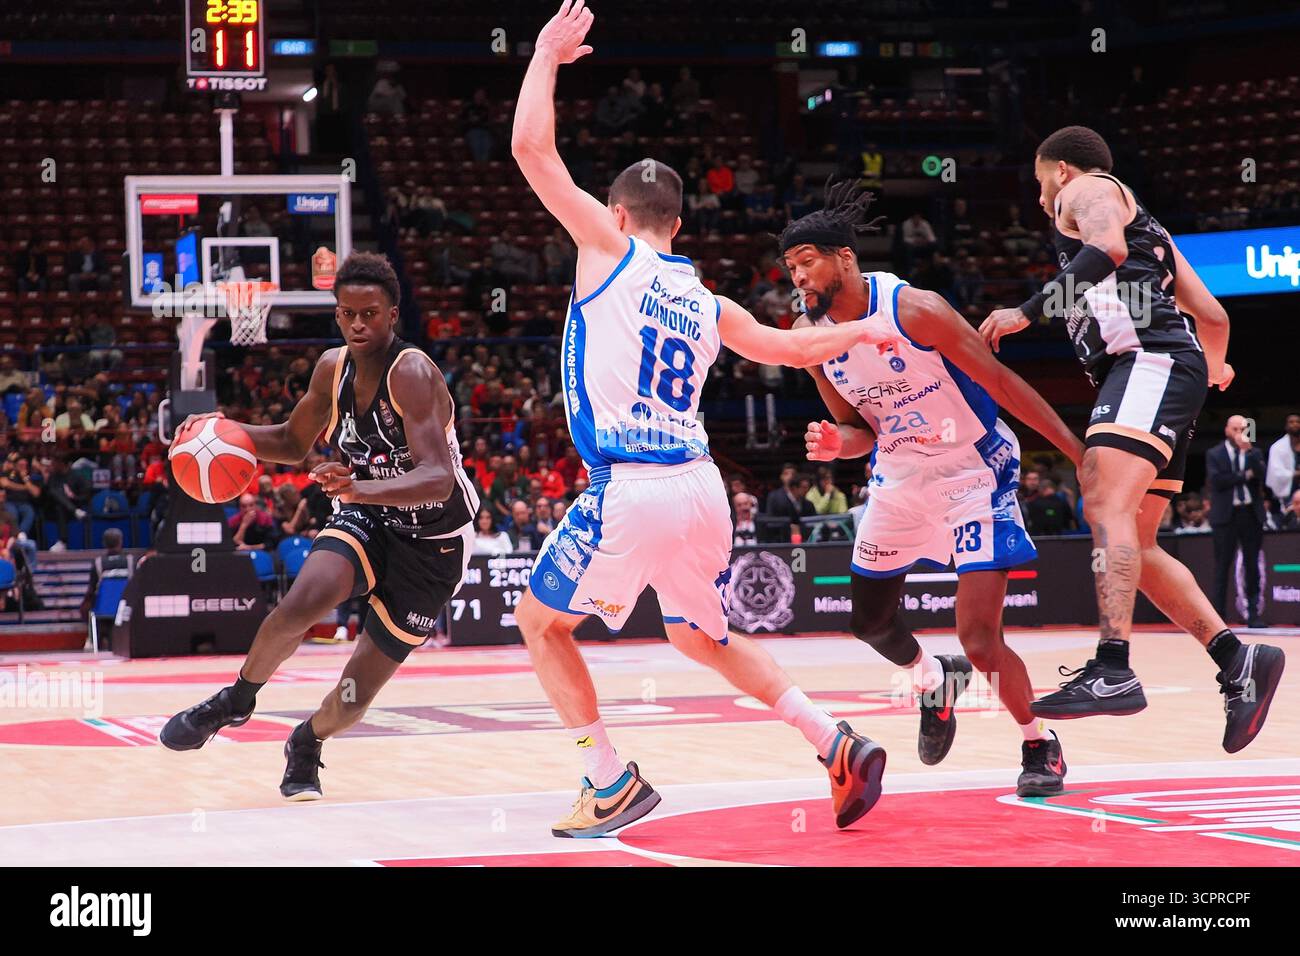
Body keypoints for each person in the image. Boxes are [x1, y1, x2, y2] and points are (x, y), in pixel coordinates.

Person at [510, 0, 904, 838]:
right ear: (679, 226)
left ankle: (607, 779)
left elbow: (531, 151)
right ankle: (832, 740)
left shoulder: (606, 248)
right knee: (699, 636)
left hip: (634, 486)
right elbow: (787, 351)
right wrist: (863, 328)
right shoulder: (702, 294)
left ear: (616, 216)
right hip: (703, 491)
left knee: (539, 623)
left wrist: (545, 55)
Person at [979, 125, 1284, 750]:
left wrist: (1027, 310)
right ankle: (1235, 660)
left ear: (1060, 170)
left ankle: (1114, 667)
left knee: (1102, 498)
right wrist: (1214, 370)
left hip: (1146, 361)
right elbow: (1214, 316)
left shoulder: (1085, 190)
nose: (1041, 199)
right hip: (1171, 366)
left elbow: (1109, 251)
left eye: (1040, 181)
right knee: (1139, 542)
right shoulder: (1155, 230)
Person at [789, 178, 1085, 796]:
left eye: (806, 261)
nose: (797, 277)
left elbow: (1001, 383)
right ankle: (933, 679)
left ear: (845, 257)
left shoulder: (915, 310)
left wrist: (1076, 453)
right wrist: (835, 444)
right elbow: (858, 429)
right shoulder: (811, 337)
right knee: (870, 623)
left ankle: (1040, 742)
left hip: (972, 471)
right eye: (789, 267)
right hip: (898, 475)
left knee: (980, 639)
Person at [160, 252, 479, 800]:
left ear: (392, 314)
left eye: (370, 314)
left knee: (352, 701)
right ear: (336, 315)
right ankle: (236, 700)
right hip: (370, 519)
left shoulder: (414, 373)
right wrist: (219, 430)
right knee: (301, 603)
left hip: (434, 542)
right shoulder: (332, 369)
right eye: (347, 313)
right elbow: (289, 442)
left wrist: (359, 486)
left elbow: (437, 479)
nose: (358, 324)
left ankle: (306, 740)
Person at [1207, 415, 1268, 627]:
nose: (1239, 433)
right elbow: (1218, 481)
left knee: (1252, 566)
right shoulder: (1215, 454)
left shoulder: (1255, 453)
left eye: (1242, 429)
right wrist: (1244, 475)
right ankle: (1219, 617)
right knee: (1222, 567)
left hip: (1250, 514)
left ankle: (1253, 614)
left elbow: (1262, 475)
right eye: (1235, 429)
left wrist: (1249, 453)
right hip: (1225, 516)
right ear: (1227, 430)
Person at [1265, 413, 1300, 503]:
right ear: (1286, 426)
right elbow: (1275, 472)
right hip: (1288, 493)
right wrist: (1294, 474)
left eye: (1297, 422)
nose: (1295, 424)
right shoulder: (1277, 447)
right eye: (1291, 422)